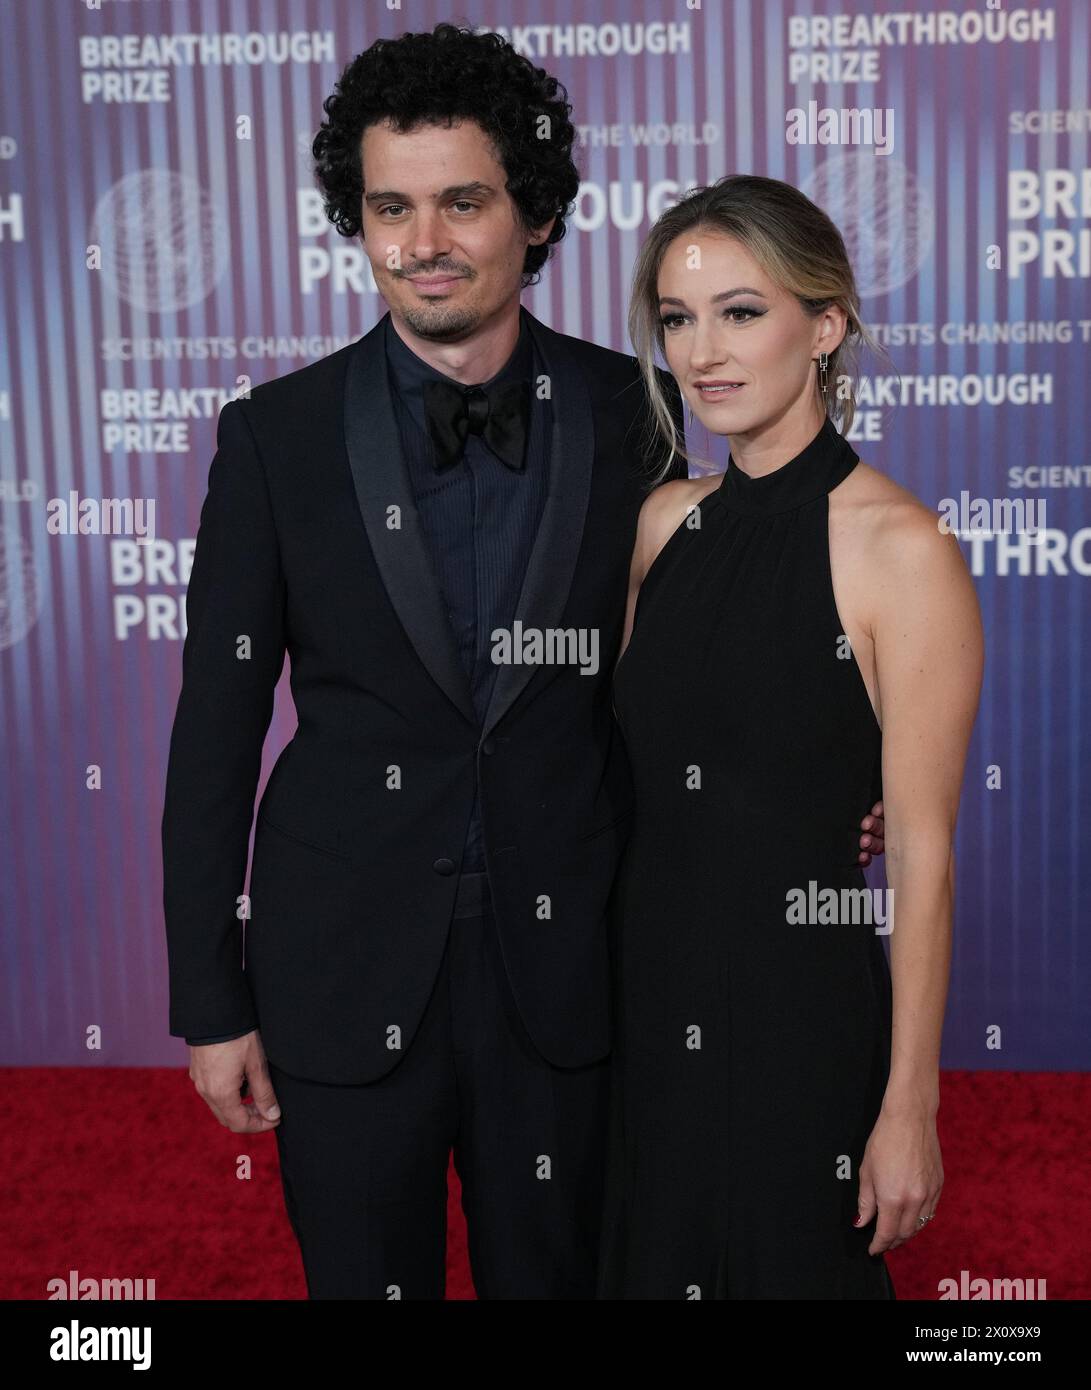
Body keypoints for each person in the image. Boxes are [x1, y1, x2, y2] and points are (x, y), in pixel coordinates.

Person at [161, 28, 884, 1299]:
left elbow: (719, 661)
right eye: (390, 206)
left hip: (575, 975)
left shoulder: (641, 413)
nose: (422, 240)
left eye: (461, 201)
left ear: (534, 216)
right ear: (357, 220)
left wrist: (833, 796)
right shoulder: (272, 439)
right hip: (339, 969)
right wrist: (209, 1001)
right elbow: (213, 732)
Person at [597, 174, 984, 1300]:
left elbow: (918, 855)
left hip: (796, 1014)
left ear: (823, 326)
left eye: (741, 311)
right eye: (676, 318)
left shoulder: (898, 547)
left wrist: (907, 1103)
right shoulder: (660, 524)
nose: (703, 351)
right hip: (638, 1001)